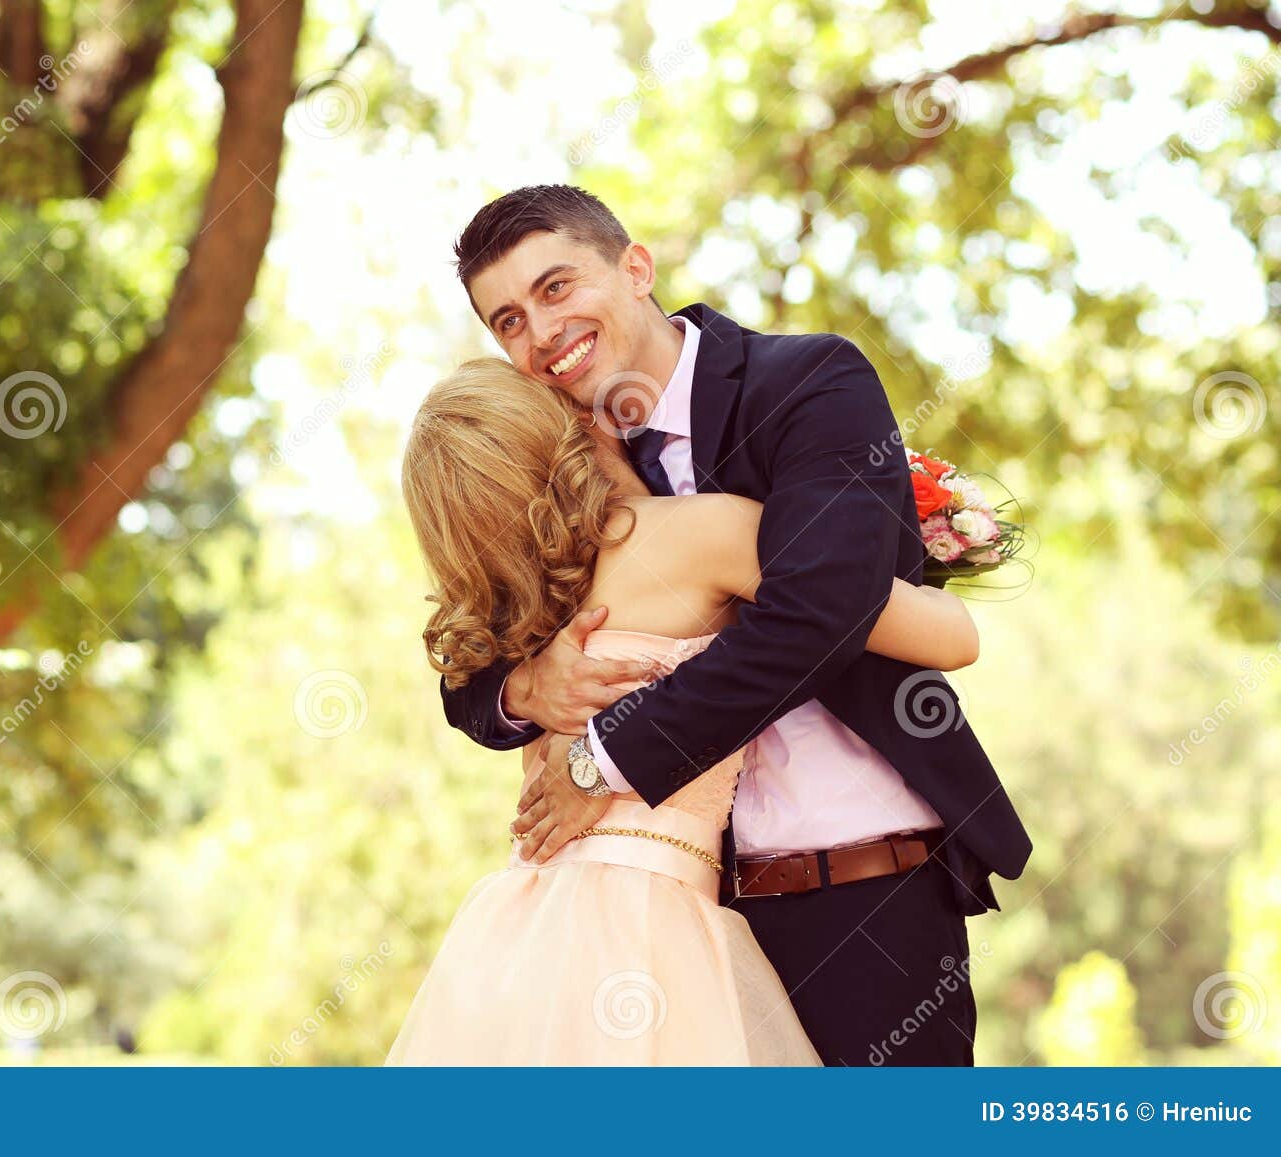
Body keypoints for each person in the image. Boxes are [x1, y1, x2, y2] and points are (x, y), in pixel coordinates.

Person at [434, 185, 1031, 1065]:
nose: (541, 331)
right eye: (509, 321)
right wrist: (524, 686)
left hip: (860, 883)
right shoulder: (552, 462)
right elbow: (472, 653)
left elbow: (816, 613)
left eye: (556, 288)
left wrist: (604, 753)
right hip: (680, 918)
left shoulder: (808, 383)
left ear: (636, 268)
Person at [387, 360, 979, 1064]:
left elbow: (468, 687)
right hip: (653, 928)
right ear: (568, 424)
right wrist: (907, 546)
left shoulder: (510, 622)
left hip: (521, 935)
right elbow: (949, 635)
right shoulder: (704, 533)